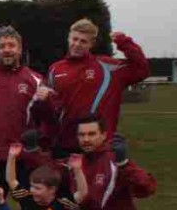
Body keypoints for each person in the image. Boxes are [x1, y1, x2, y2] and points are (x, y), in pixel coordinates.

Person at [46, 19, 150, 155]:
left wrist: (124, 43)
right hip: (65, 146)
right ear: (68, 38)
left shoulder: (108, 67)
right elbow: (51, 108)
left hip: (99, 148)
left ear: (92, 44)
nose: (77, 44)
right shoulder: (55, 69)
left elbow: (142, 69)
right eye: (74, 39)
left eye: (83, 41)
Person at [0, 25, 50, 188]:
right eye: (2, 46)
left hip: (24, 157)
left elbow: (46, 119)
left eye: (11, 45)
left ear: (20, 48)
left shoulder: (36, 80)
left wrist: (47, 102)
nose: (7, 50)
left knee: (30, 207)